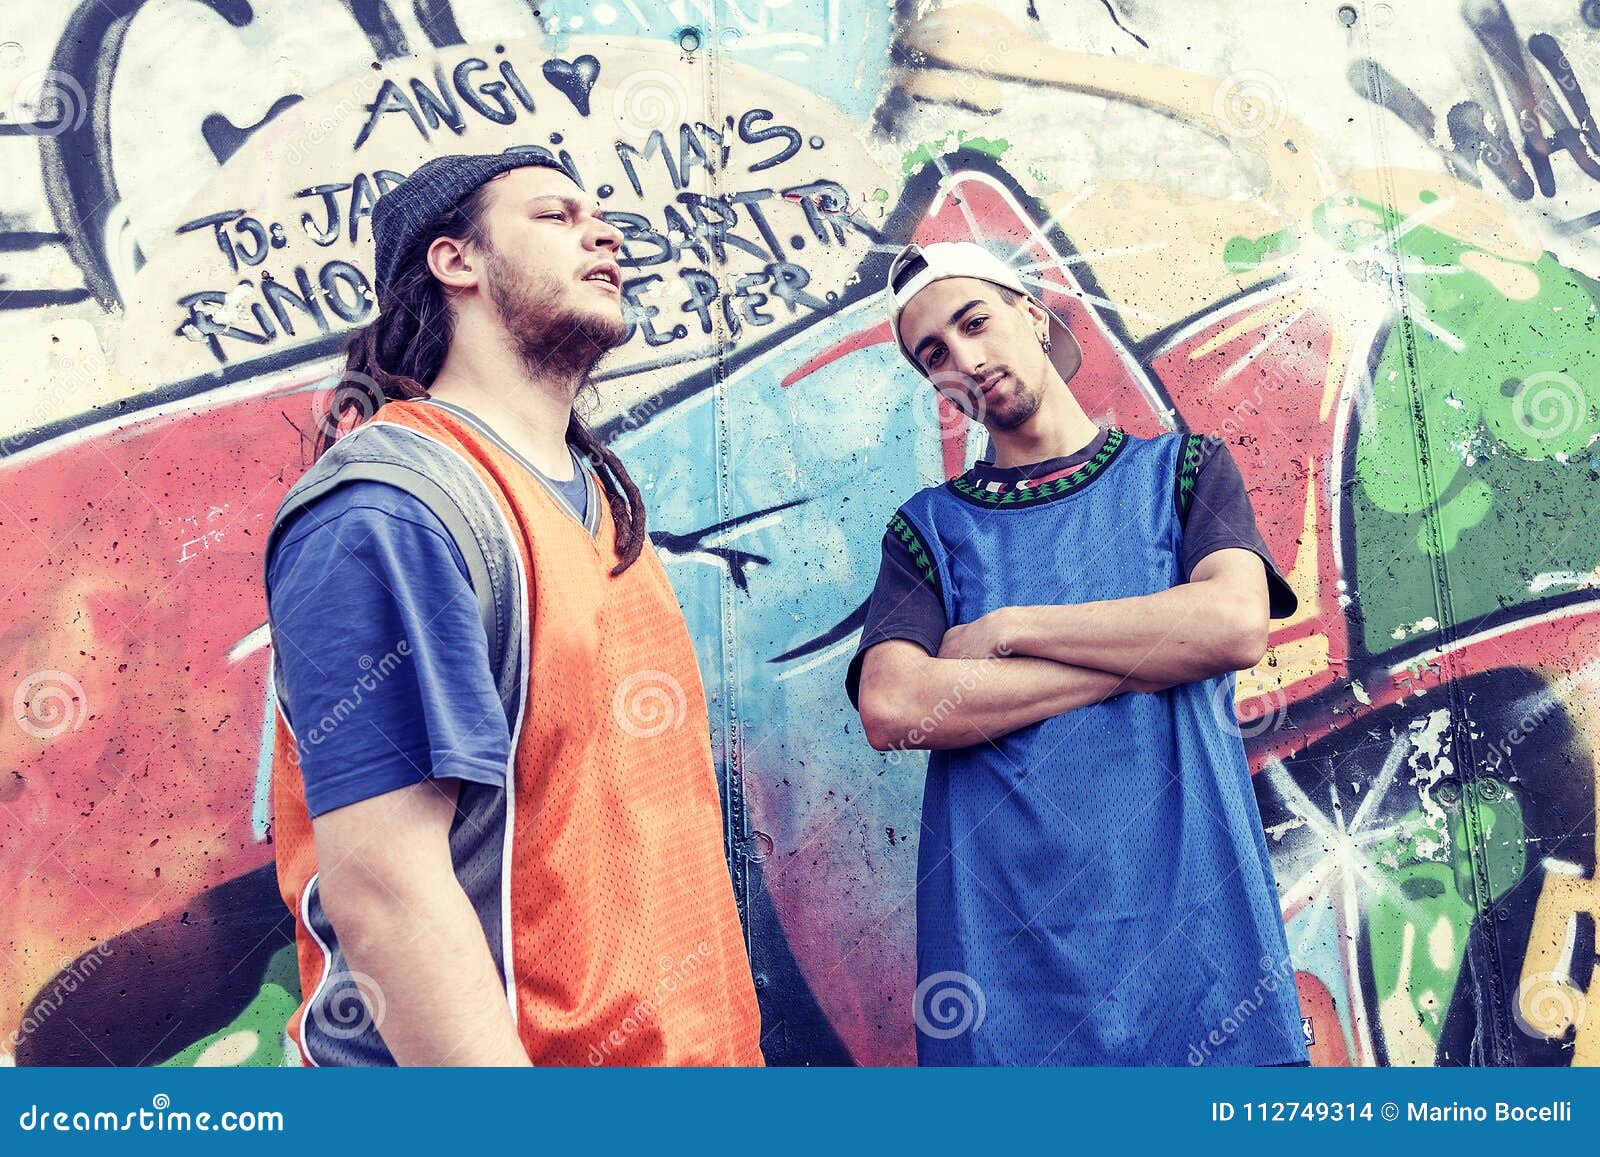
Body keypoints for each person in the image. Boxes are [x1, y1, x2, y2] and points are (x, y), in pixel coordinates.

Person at [263, 149, 763, 1067]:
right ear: (456, 262)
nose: (604, 231)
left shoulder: (601, 502)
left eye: (600, 216)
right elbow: (384, 895)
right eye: (556, 215)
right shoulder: (393, 506)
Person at [847, 240, 1309, 1067]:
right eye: (935, 356)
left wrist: (1010, 628)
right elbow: (894, 705)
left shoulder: (1184, 470)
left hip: (1205, 970)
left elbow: (1234, 624)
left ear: (1031, 311)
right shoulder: (929, 532)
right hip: (1004, 992)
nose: (966, 359)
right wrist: (1153, 648)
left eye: (976, 321)